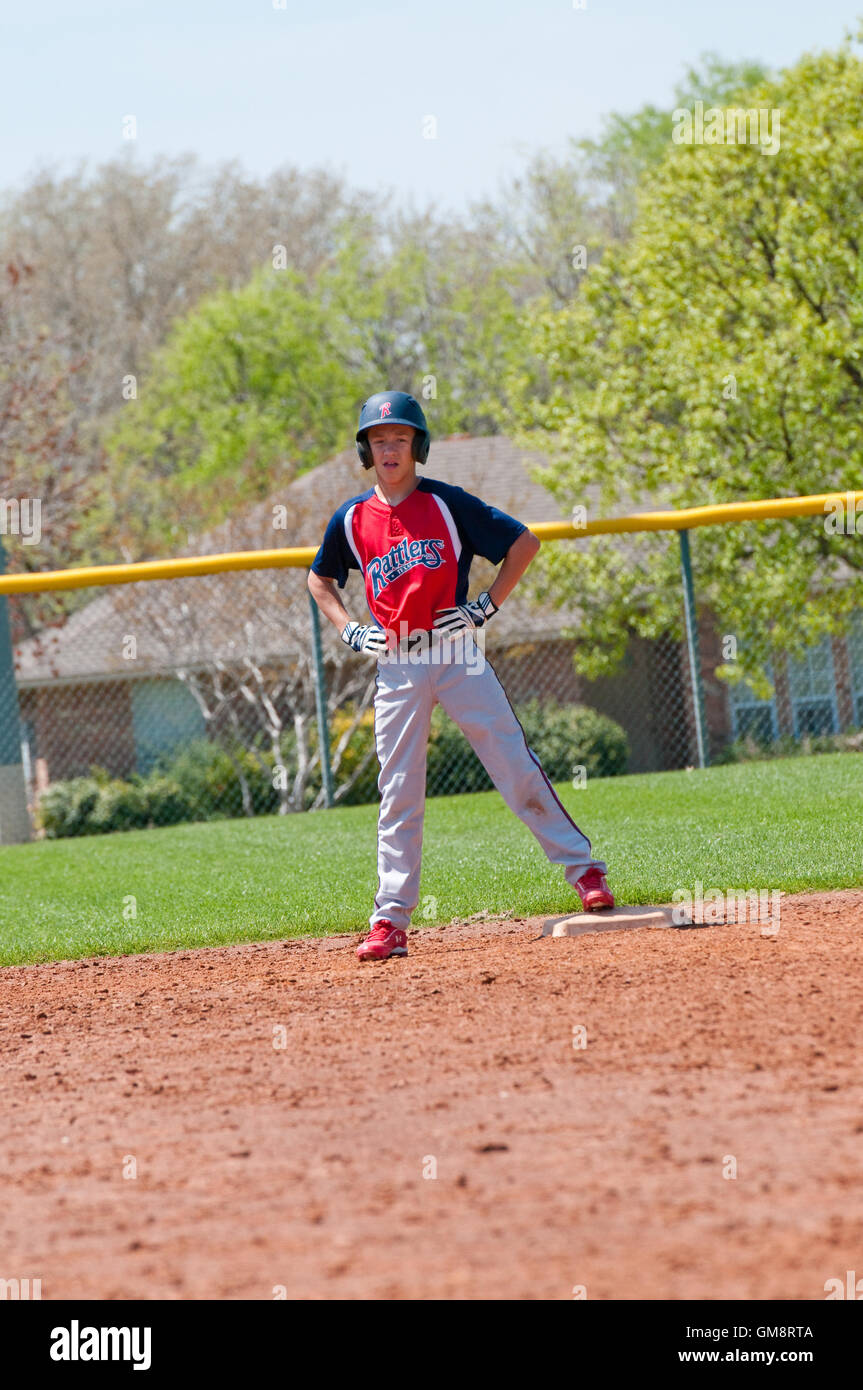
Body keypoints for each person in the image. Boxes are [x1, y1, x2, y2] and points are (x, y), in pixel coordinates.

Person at [307, 391, 614, 962]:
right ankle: (390, 922)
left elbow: (524, 543)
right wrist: (348, 629)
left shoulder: (447, 504)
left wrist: (486, 606)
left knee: (512, 761)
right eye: (378, 440)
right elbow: (320, 580)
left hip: (456, 652)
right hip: (396, 664)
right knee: (398, 791)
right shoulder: (351, 519)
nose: (389, 449)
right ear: (366, 451)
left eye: (399, 438)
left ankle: (585, 871)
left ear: (418, 446)